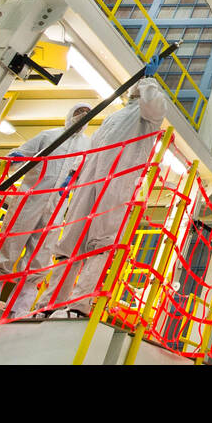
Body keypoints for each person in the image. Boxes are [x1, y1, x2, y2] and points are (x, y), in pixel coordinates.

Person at [51, 78, 170, 315]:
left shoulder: (148, 116)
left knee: (101, 241)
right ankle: (51, 302)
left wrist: (149, 81)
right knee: (70, 241)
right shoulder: (115, 116)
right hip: (89, 180)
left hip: (118, 182)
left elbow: (155, 105)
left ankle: (79, 304)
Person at [0, 102, 93, 322]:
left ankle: (19, 310)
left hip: (57, 207)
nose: (82, 116)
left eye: (86, 113)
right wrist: (17, 158)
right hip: (29, 199)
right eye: (78, 112)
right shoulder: (49, 136)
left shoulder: (87, 145)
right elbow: (18, 154)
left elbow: (87, 174)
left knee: (40, 256)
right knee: (9, 247)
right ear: (70, 114)